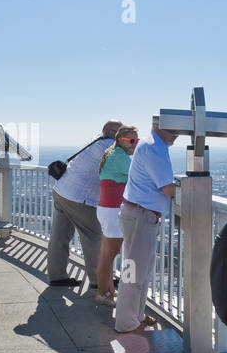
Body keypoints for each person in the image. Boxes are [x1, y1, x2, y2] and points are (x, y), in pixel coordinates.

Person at [111, 119, 181, 334]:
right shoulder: (154, 147)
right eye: (175, 129)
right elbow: (168, 188)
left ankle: (136, 317)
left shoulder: (151, 144)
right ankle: (126, 323)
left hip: (139, 214)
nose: (177, 135)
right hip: (141, 216)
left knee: (139, 271)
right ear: (162, 127)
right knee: (133, 274)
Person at [44, 122, 123, 287]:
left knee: (59, 236)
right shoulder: (109, 145)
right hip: (79, 198)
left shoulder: (94, 140)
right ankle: (99, 280)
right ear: (111, 132)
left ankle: (57, 276)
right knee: (93, 236)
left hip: (62, 191)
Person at [93, 122, 137, 304]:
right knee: (109, 255)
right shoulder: (120, 156)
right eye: (131, 140)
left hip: (107, 209)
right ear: (120, 140)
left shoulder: (113, 153)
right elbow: (139, 176)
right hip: (113, 211)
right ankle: (103, 294)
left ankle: (108, 291)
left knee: (108, 254)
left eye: (137, 140)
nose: (134, 144)